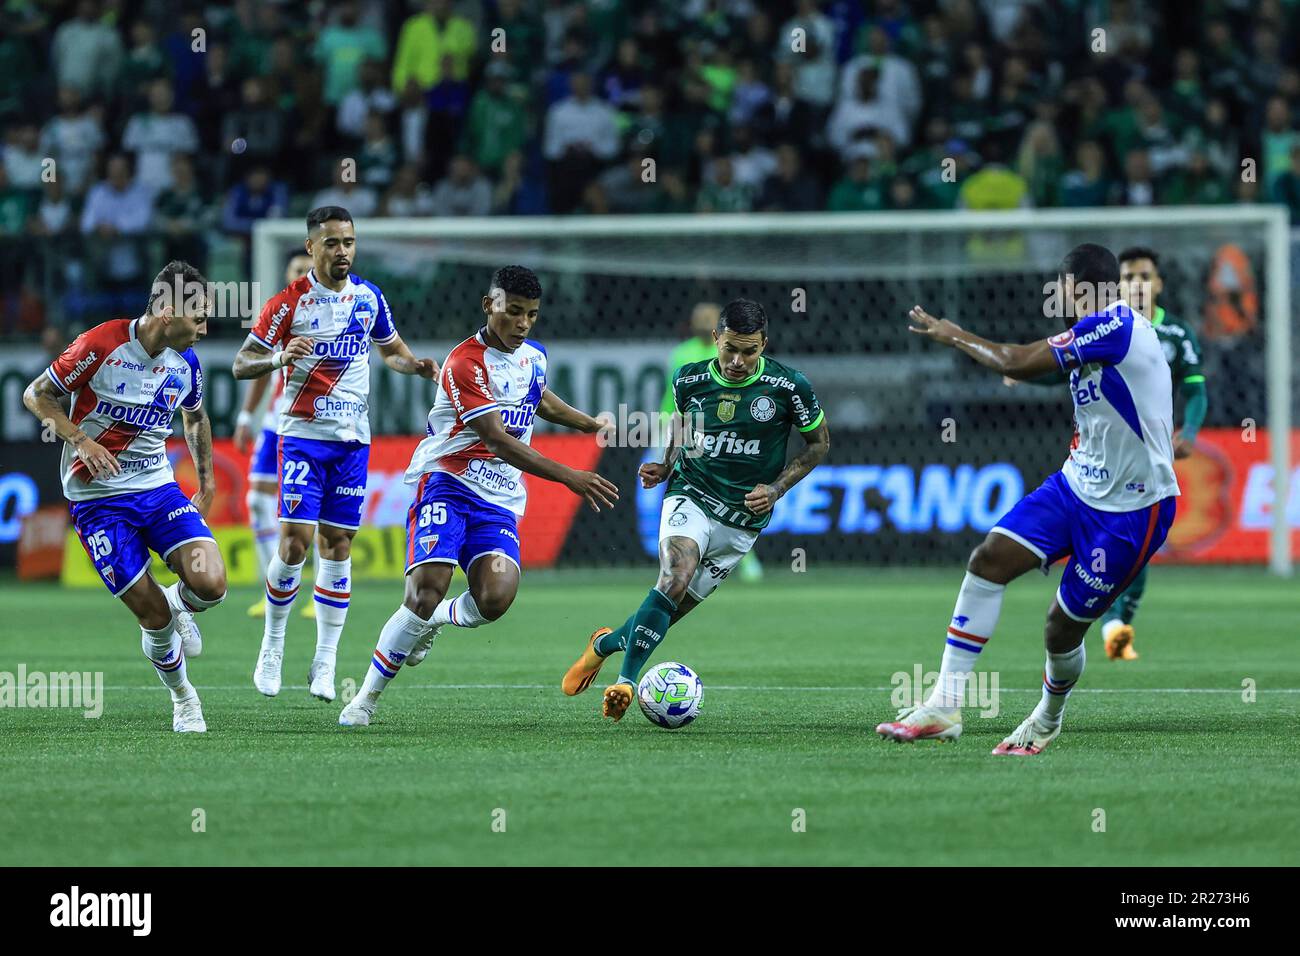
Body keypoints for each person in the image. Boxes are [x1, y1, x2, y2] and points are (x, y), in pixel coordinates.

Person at [877, 243, 1179, 756]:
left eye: (1060, 287)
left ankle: (1046, 718)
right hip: (1076, 485)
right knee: (988, 559)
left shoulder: (1115, 325)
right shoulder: (1094, 337)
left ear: (1080, 288)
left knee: (1060, 631)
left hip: (1133, 509)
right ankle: (943, 707)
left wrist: (953, 334)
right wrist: (1021, 369)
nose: (1055, 297)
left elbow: (1016, 359)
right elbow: (1030, 369)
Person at [339, 266, 619, 727]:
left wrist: (586, 423)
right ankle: (366, 698)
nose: (523, 323)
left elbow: (540, 397)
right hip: (447, 482)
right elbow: (498, 441)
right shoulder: (464, 362)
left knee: (495, 599)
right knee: (425, 589)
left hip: (499, 498)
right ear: (490, 306)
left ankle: (436, 620)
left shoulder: (535, 356)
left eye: (531, 314)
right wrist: (571, 475)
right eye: (513, 312)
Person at [563, 299, 830, 720]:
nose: (738, 361)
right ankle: (626, 683)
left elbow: (819, 445)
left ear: (765, 344)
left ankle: (604, 644)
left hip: (743, 521)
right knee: (674, 577)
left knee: (668, 611)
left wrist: (777, 489)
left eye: (749, 351)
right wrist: (667, 464)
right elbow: (681, 425)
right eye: (730, 349)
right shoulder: (689, 378)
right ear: (715, 340)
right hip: (692, 493)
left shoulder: (789, 386)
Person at [232, 206, 438, 703]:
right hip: (302, 434)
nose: (342, 250)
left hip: (352, 440)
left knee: (338, 544)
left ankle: (324, 663)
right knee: (296, 541)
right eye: (331, 243)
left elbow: (390, 350)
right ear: (311, 248)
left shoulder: (369, 298)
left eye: (348, 241)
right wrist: (281, 357)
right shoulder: (287, 303)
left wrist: (415, 366)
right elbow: (242, 364)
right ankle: (273, 645)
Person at [21, 260, 226, 732]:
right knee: (151, 614)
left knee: (211, 583)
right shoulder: (101, 344)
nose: (204, 328)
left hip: (156, 489)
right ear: (169, 312)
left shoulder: (186, 363)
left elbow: (195, 419)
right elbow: (36, 395)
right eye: (199, 318)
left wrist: (207, 483)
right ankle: (184, 697)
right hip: (97, 500)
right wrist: (80, 439)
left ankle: (181, 605)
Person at [1099, 247, 1207, 660]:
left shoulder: (1177, 334)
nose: (1137, 284)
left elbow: (1196, 390)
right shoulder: (1104, 329)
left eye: (1145, 276)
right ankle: (1106, 619)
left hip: (1151, 455)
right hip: (1103, 452)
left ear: (1159, 283)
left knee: (1142, 543)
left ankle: (1116, 625)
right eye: (1128, 277)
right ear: (1118, 285)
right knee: (1110, 540)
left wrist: (1191, 432)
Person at [233, 252, 316, 620]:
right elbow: (260, 367)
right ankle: (276, 587)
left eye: (306, 269)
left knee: (310, 512)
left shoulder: (338, 311)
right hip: (276, 421)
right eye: (296, 270)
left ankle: (319, 593)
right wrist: (246, 416)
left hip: (314, 424)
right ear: (288, 274)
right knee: (255, 500)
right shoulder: (280, 311)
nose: (302, 274)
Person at [659, 302, 763, 582]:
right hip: (686, 429)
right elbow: (675, 398)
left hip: (724, 435)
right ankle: (670, 550)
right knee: (672, 489)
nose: (704, 323)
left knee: (729, 496)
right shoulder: (682, 354)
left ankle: (743, 558)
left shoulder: (733, 351)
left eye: (709, 318)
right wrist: (665, 424)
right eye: (700, 318)